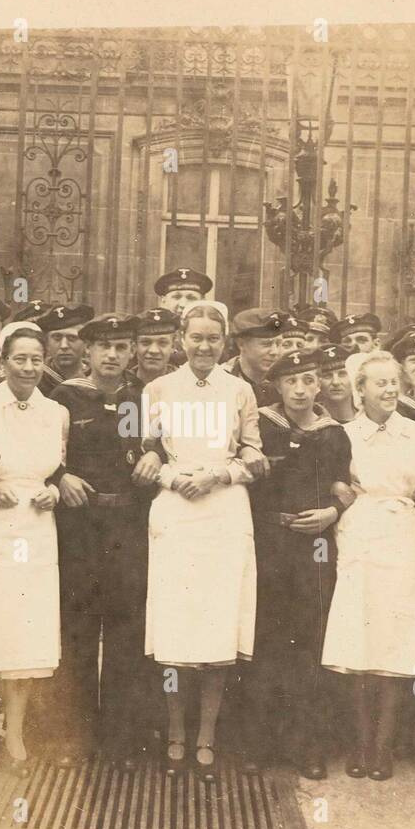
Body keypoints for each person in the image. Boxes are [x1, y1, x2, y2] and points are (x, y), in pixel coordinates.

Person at [139, 300, 264, 783]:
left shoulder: (240, 391)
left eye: (214, 338)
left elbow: (253, 453)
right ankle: (174, 732)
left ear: (225, 342)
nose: (204, 346)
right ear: (181, 341)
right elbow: (145, 451)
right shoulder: (158, 389)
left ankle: (206, 736)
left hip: (224, 511)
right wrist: (172, 479)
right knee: (176, 631)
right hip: (176, 513)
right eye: (196, 337)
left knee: (215, 631)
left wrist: (219, 473)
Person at [0, 322, 69, 774]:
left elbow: (58, 469)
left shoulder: (57, 412)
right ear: (2, 361)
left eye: (36, 359)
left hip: (38, 530)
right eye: (19, 359)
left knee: (27, 632)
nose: (28, 367)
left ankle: (16, 734)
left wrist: (55, 493)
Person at [44, 313, 151, 771]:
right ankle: (74, 735)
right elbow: (40, 451)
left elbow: (160, 446)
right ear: (86, 353)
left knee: (127, 634)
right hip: (82, 527)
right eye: (103, 346)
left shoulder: (140, 399)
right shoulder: (64, 397)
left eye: (121, 347)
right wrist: (60, 475)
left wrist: (153, 452)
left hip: (127, 525)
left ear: (131, 354)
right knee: (79, 633)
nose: (112, 355)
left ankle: (122, 741)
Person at [241, 348, 352, 780]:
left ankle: (308, 746)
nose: (301, 389)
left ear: (320, 384)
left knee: (310, 643)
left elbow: (345, 486)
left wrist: (332, 513)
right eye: (292, 382)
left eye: (309, 380)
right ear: (278, 386)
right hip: (269, 541)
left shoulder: (334, 433)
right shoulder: (263, 427)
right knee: (266, 641)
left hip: (315, 547)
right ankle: (258, 745)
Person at [321, 351, 415, 780]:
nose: (388, 390)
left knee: (397, 640)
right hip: (360, 536)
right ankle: (360, 743)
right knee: (358, 640)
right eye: (379, 383)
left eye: (393, 383)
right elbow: (337, 483)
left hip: (403, 536)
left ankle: (383, 748)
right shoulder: (342, 434)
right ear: (359, 389)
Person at [221, 307, 284, 407]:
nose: (275, 352)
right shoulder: (221, 381)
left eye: (279, 343)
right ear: (241, 344)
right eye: (266, 344)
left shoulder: (286, 381)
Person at [35, 303, 94, 396]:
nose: (64, 346)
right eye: (57, 338)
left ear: (86, 343)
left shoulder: (95, 378)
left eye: (72, 338)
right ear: (47, 344)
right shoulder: (35, 379)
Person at [128, 307, 179, 388]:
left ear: (173, 346)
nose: (154, 350)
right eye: (146, 342)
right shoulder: (121, 385)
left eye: (162, 343)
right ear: (134, 347)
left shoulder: (185, 385)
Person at [316, 343, 357, 424]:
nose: (336, 382)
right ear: (317, 381)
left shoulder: (370, 417)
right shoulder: (314, 423)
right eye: (327, 375)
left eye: (342, 374)